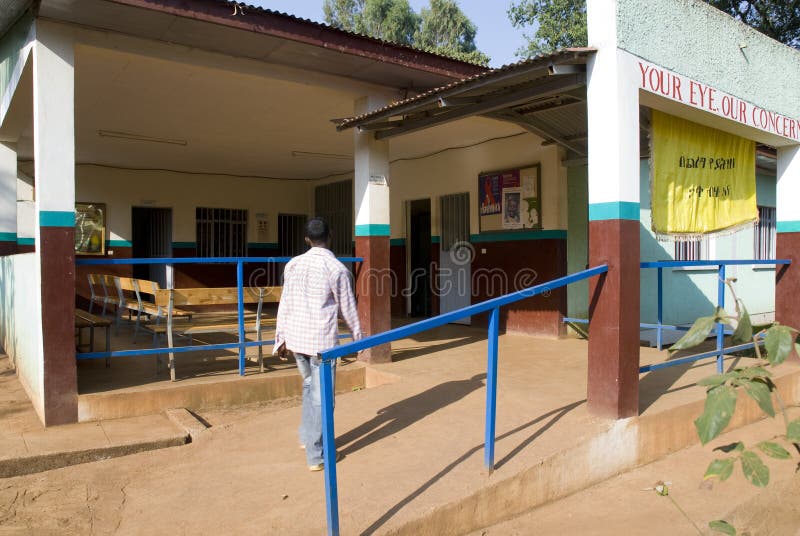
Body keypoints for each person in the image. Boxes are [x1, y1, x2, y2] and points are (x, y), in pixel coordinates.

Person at [273, 217, 362, 471]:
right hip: (322, 344)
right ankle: (316, 455)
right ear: (330, 236)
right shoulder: (336, 269)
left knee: (310, 387)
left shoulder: (293, 265)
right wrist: (359, 341)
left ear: (306, 239)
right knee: (323, 399)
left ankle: (305, 436)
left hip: (297, 340)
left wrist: (281, 337)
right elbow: (348, 309)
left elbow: (285, 303)